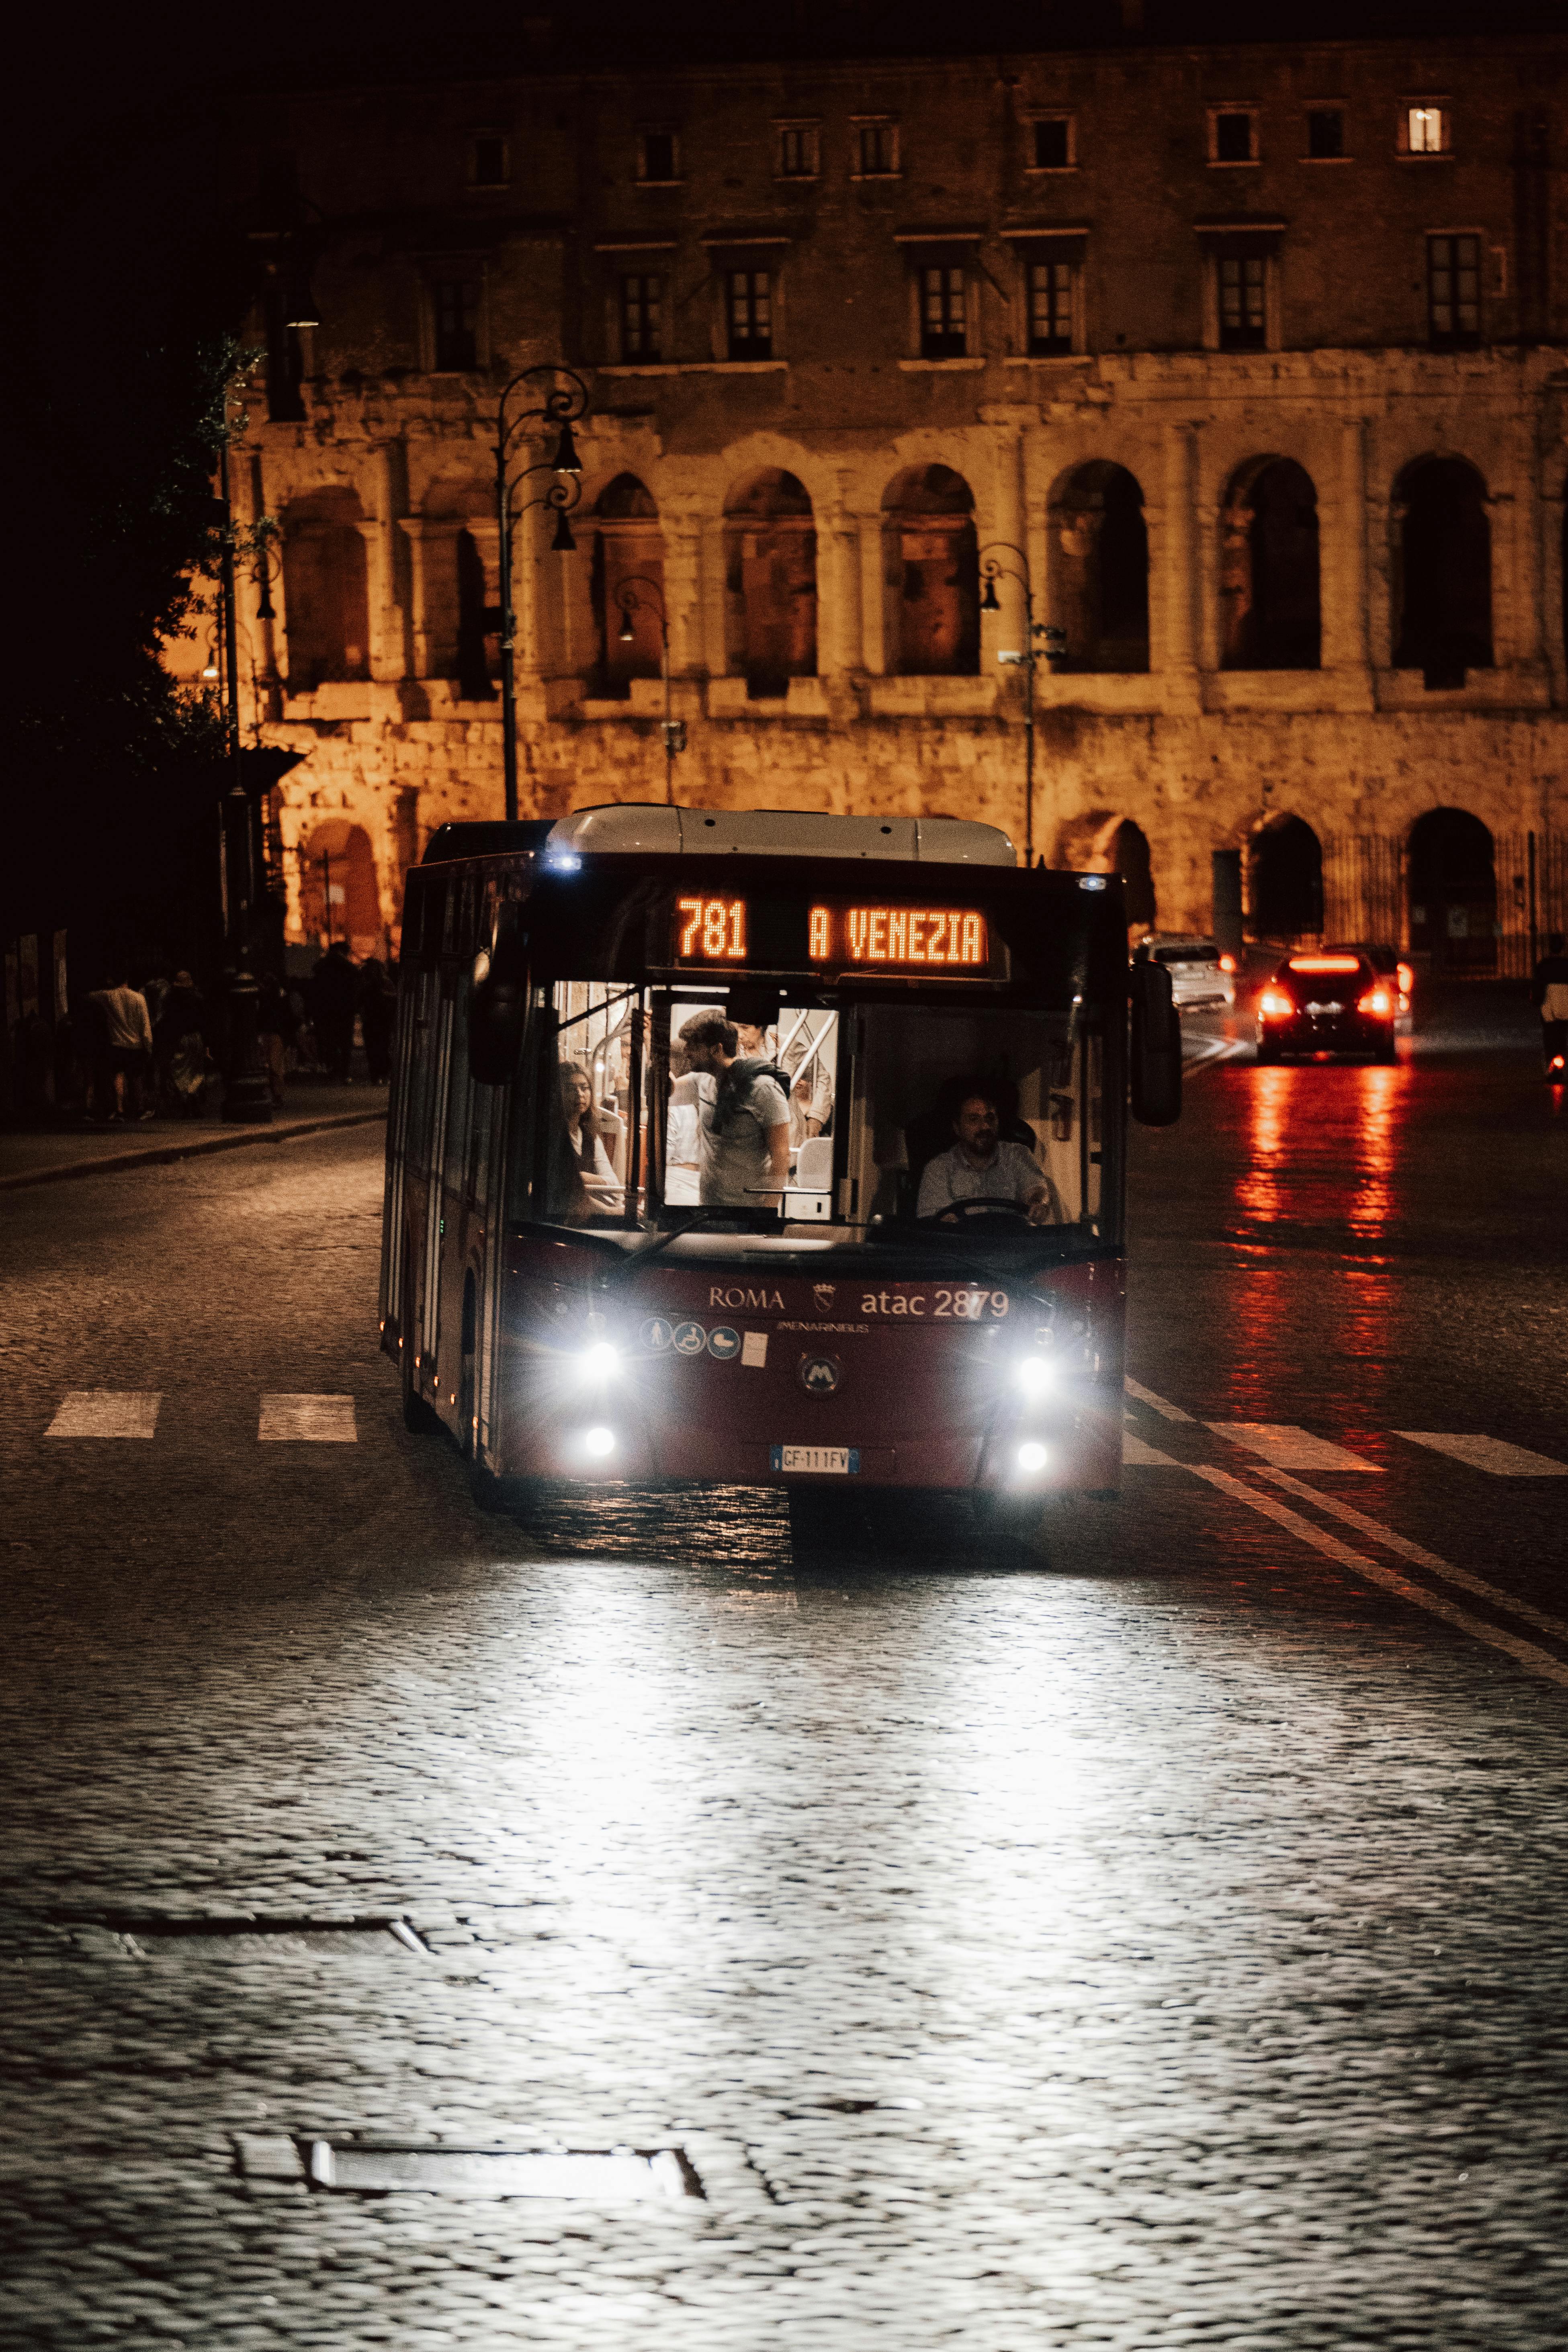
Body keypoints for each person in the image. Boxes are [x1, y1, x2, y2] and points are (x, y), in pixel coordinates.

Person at [680, 1011, 790, 1212]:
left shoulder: (763, 1089)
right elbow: (665, 1090)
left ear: (716, 1049)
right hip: (709, 1208)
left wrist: (767, 1211)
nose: (686, 1051)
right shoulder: (703, 1080)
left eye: (693, 1046)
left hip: (748, 1211)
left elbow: (782, 1156)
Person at [915, 1082, 1060, 1224]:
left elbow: (1037, 1189)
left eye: (990, 1118)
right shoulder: (938, 1168)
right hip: (963, 1245)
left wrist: (1037, 1203)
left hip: (1011, 1241)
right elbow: (932, 1222)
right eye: (974, 1119)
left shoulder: (1017, 1154)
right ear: (957, 1128)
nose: (985, 1126)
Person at [85, 971, 154, 1123]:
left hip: (117, 1044)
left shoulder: (109, 996)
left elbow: (90, 996)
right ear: (128, 980)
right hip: (136, 1044)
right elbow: (145, 1025)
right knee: (136, 1077)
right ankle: (140, 1109)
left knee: (119, 1075)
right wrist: (148, 1045)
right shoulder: (139, 998)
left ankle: (120, 1109)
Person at [156, 972, 209, 1116]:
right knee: (197, 1070)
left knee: (179, 1069)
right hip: (196, 1037)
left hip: (179, 1038)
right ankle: (194, 1097)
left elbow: (166, 1021)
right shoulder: (197, 998)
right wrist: (207, 1043)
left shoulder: (171, 1000)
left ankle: (185, 1097)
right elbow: (204, 1022)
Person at [310, 938, 359, 1082]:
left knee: (330, 1041)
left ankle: (334, 1069)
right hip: (344, 1009)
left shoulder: (324, 966)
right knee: (344, 1043)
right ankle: (342, 1072)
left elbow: (316, 971)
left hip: (328, 1009)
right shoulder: (347, 968)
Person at [1531, 931, 1568, 1078]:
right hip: (1565, 1007)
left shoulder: (1543, 966)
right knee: (1562, 1036)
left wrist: (1536, 1001)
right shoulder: (1567, 965)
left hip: (1549, 1008)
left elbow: (1538, 989)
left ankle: (1552, 1066)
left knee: (1550, 1037)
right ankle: (1561, 1064)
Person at [257, 974, 296, 1106]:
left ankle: (277, 1095)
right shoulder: (275, 999)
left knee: (274, 1066)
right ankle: (276, 1094)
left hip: (274, 1034)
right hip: (270, 1033)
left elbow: (286, 1018)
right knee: (271, 1066)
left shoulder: (274, 1000)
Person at [358, 956, 397, 1085]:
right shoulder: (382, 983)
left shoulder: (369, 983)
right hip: (379, 1019)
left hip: (377, 1019)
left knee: (377, 1048)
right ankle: (381, 1074)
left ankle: (379, 1074)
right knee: (380, 1047)